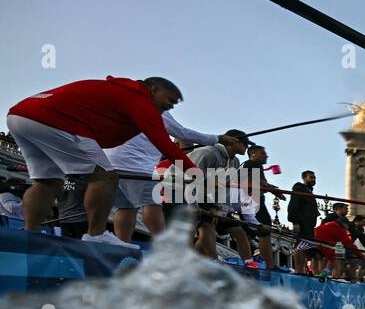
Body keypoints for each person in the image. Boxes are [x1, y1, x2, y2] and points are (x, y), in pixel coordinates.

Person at [6, 76, 197, 245]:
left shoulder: (119, 92)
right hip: (55, 121)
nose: (171, 106)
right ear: (154, 89)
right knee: (105, 177)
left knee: (47, 182)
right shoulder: (140, 100)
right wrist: (195, 173)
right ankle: (96, 236)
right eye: (170, 100)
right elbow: (165, 144)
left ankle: (31, 234)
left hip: (20, 116)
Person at [105, 111, 219, 243]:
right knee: (152, 204)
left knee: (126, 206)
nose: (171, 105)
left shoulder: (128, 108)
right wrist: (217, 139)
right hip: (140, 169)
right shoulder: (155, 110)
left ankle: (122, 244)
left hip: (112, 164)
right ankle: (163, 246)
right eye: (170, 100)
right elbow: (181, 133)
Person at [188, 130, 252, 259]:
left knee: (212, 222)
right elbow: (188, 177)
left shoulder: (235, 162)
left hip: (204, 197)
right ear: (233, 141)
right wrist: (193, 205)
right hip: (178, 189)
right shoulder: (208, 152)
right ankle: (211, 258)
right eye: (245, 144)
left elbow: (224, 187)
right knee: (202, 223)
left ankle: (203, 258)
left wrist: (217, 207)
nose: (247, 147)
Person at [238, 144, 283, 268]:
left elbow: (256, 181)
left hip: (244, 201)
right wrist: (272, 189)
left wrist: (271, 188)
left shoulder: (246, 165)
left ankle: (247, 262)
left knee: (247, 232)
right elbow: (253, 182)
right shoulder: (254, 164)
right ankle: (270, 266)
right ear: (253, 154)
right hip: (254, 201)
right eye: (263, 153)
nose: (266, 156)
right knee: (264, 231)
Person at [314, 201, 365, 278]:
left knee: (332, 259)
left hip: (322, 242)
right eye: (346, 209)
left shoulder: (332, 224)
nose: (348, 228)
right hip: (325, 244)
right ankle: (329, 276)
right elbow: (348, 244)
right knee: (334, 259)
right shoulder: (338, 228)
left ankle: (324, 275)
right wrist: (361, 256)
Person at [287, 170, 319, 273]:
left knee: (305, 246)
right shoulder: (299, 188)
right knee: (300, 246)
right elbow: (293, 205)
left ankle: (302, 269)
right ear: (304, 178)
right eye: (311, 177)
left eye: (314, 178)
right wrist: (294, 222)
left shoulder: (309, 191)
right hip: (302, 222)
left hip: (309, 224)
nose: (313, 179)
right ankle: (298, 269)